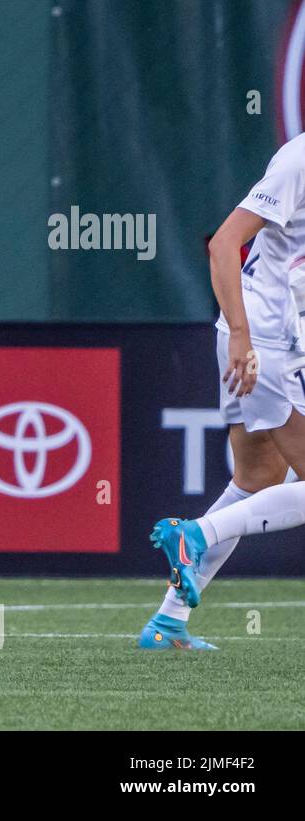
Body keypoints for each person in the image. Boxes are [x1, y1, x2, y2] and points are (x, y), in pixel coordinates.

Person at [144, 133, 305, 650]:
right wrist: (241, 335)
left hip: (271, 337)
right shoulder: (300, 159)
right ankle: (194, 535)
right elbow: (222, 243)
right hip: (264, 340)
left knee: (257, 478)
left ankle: (167, 624)